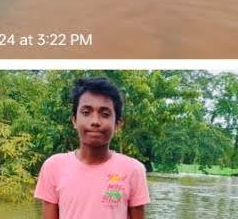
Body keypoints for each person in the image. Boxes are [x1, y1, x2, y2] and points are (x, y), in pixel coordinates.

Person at [34, 77, 151, 219]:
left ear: (117, 124)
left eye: (105, 114)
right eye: (86, 113)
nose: (95, 121)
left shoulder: (133, 170)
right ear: (74, 120)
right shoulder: (53, 166)